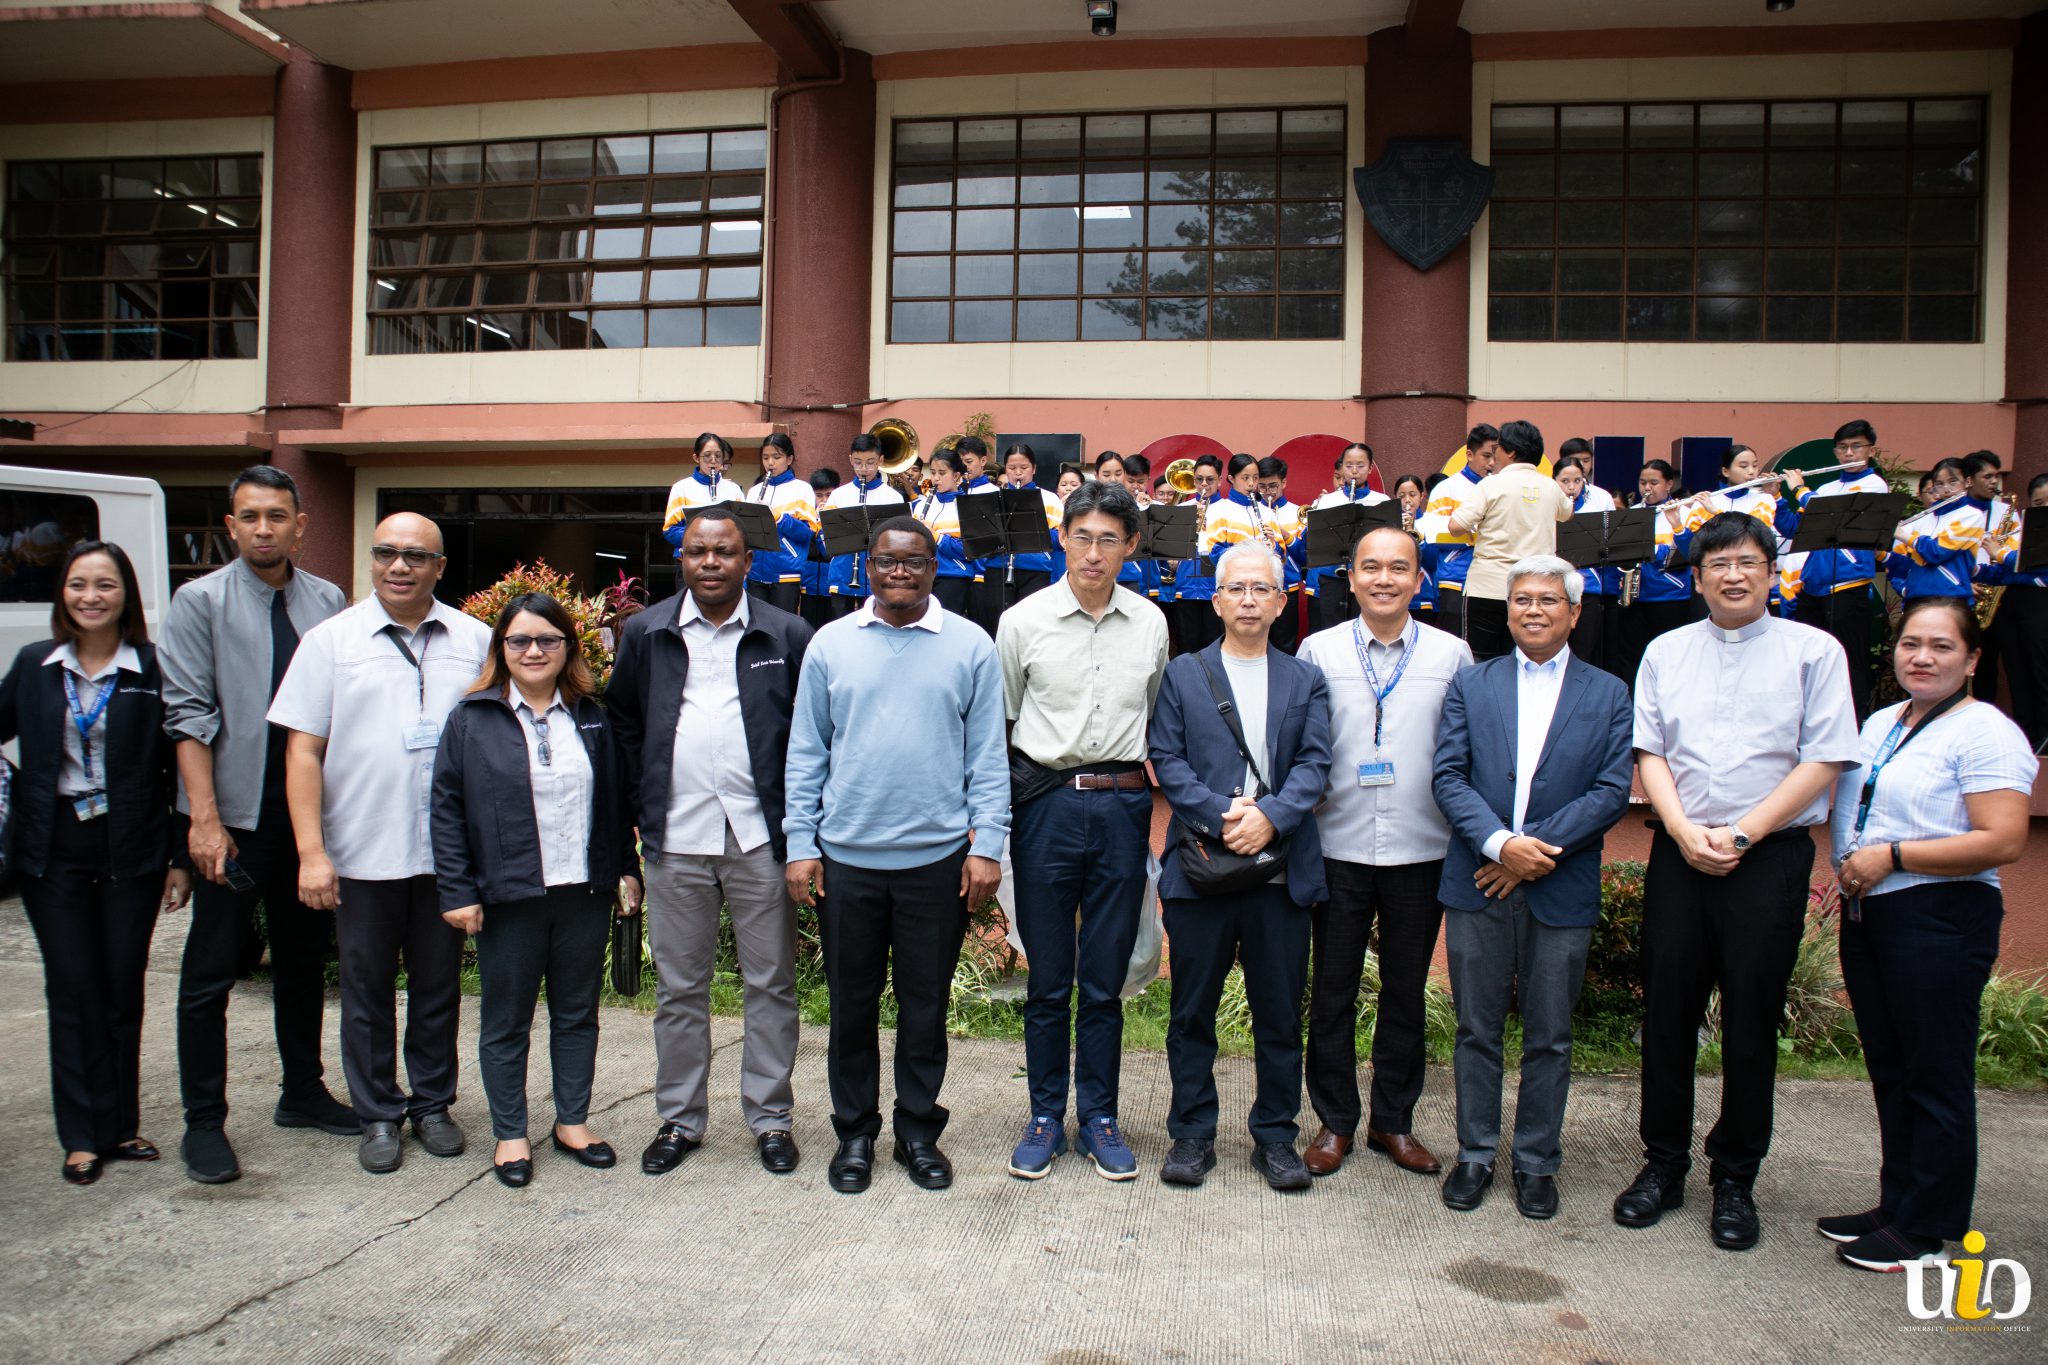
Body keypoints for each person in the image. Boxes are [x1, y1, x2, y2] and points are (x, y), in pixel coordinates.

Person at [1618, 511, 1860, 1250]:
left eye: (1747, 562)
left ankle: (1736, 1175)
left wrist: (1745, 831)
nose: (1732, 574)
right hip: (1680, 853)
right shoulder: (1665, 650)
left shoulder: (1814, 651)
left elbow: (1823, 758)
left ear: (1771, 571)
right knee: (1666, 1012)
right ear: (1696, 577)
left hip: (1769, 856)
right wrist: (1686, 832)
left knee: (1752, 1019)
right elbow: (1650, 752)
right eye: (1717, 563)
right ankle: (1662, 1163)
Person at [783, 517, 1008, 1194]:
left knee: (924, 1006)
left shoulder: (970, 646)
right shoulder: (830, 644)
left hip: (936, 861)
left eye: (913, 561)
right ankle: (854, 1133)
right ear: (868, 568)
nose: (900, 572)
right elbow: (805, 753)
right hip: (846, 859)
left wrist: (987, 844)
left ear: (934, 567)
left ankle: (917, 1131)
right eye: (887, 561)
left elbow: (988, 757)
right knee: (851, 1006)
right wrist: (801, 843)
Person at [268, 512, 493, 1174]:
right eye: (388, 553)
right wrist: (312, 851)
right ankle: (376, 1113)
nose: (401, 566)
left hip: (446, 852)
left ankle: (431, 1104)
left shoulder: (474, 640)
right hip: (361, 848)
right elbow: (302, 750)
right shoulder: (330, 641)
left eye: (416, 556)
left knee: (437, 985)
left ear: (440, 567)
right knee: (365, 988)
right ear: (371, 561)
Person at [1814, 597, 2032, 1269]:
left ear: (1971, 659)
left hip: (1939, 914)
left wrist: (1894, 856)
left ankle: (1930, 1228)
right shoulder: (1883, 721)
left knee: (1935, 1072)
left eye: (1941, 646)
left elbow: (2003, 838)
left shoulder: (1985, 731)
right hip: (1871, 913)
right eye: (1912, 643)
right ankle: (1897, 1201)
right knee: (1893, 1065)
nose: (1923, 657)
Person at [158, 465, 351, 1185]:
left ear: (301, 524)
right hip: (232, 821)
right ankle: (203, 1121)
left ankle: (301, 1091)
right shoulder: (198, 601)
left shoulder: (327, 600)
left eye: (277, 515)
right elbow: (187, 718)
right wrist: (202, 824)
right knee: (210, 974)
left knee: (303, 964)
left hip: (305, 819)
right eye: (249, 516)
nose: (263, 527)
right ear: (230, 525)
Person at [607, 508, 811, 1178]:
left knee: (772, 983)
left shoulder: (787, 633)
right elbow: (626, 728)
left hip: (760, 837)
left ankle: (771, 1117)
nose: (712, 562)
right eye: (699, 551)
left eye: (725, 551)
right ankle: (679, 1118)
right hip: (676, 835)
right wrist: (637, 816)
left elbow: (809, 738)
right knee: (679, 986)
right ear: (683, 560)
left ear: (747, 560)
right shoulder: (645, 632)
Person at [1430, 555, 1634, 1219]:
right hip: (1479, 879)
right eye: (1522, 600)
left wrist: (1531, 851)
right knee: (1476, 1029)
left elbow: (1611, 790)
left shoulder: (1608, 693)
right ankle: (1477, 1153)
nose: (1535, 610)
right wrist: (1499, 845)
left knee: (1550, 1034)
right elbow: (1449, 776)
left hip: (1559, 883)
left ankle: (1538, 1162)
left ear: (1575, 612)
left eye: (1549, 600)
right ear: (1507, 609)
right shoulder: (1473, 683)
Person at [431, 594, 641, 1188]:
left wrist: (626, 867)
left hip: (583, 889)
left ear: (568, 648)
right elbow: (446, 809)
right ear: (502, 649)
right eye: (520, 640)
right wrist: (458, 889)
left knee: (577, 1013)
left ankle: (572, 1122)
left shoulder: (591, 716)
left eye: (548, 639)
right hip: (509, 893)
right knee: (507, 1018)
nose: (533, 651)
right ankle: (511, 1133)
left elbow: (616, 801)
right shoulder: (472, 719)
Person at [2, 541, 190, 1184]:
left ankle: (119, 1125)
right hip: (50, 849)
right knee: (73, 987)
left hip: (131, 847)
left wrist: (179, 856)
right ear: (64, 594)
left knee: (121, 988)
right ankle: (81, 1135)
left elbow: (179, 766)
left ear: (126, 596)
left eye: (105, 585)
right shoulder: (35, 666)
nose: (91, 597)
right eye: (79, 584)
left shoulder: (151, 669)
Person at [1149, 541, 1333, 1191]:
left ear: (1282, 603)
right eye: (1238, 588)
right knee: (1191, 1010)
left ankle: (1276, 1136)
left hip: (1279, 872)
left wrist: (1272, 817)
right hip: (1201, 868)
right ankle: (1193, 1131)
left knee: (1279, 1012)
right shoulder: (1184, 673)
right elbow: (1166, 759)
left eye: (1263, 588)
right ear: (1217, 598)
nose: (1250, 599)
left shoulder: (1305, 678)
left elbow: (1315, 763)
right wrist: (1223, 815)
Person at [998, 482, 1168, 1181]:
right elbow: (1005, 718)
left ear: (1129, 545)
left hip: (1123, 806)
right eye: (1081, 536)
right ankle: (1044, 1114)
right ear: (1061, 537)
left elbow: (1150, 711)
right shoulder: (1023, 621)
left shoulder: (1151, 623)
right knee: (1048, 977)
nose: (1093, 552)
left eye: (1108, 539)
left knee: (1103, 976)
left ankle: (1098, 1114)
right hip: (1046, 806)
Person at [1296, 525, 1471, 1179]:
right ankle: (1335, 1119)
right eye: (1371, 566)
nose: (1384, 579)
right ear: (1351, 576)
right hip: (1336, 842)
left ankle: (1392, 1120)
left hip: (1421, 843)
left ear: (1418, 579)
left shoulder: (1453, 654)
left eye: (1399, 567)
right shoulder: (1317, 649)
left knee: (1405, 989)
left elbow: (1463, 749)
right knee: (1333, 988)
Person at [1776, 421, 1892, 718]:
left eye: (1856, 447)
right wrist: (1776, 496)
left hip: (1848, 585)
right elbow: (1794, 529)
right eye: (1843, 448)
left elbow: (1833, 515)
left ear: (1870, 450)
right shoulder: (1827, 487)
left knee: (1850, 661)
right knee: (1808, 660)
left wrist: (1800, 489)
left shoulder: (1874, 484)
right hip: (1813, 586)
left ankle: (1854, 725)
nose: (1849, 453)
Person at [1449, 420, 1571, 662]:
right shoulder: (1551, 487)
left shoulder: (1490, 485)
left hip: (1488, 588)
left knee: (1479, 659)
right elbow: (1566, 514)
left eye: (1498, 451)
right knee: (1526, 659)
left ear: (1511, 452)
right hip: (1535, 590)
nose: (1494, 459)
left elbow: (1455, 527)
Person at [1619, 459, 1701, 688]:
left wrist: (1674, 530)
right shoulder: (1631, 515)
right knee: (1633, 658)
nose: (1647, 488)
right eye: (1643, 482)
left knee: (1671, 658)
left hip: (1671, 597)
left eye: (1654, 483)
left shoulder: (1684, 513)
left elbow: (1693, 552)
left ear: (1669, 484)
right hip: (1635, 598)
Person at [1420, 424, 1499, 641]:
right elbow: (1434, 536)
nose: (1492, 463)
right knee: (1453, 642)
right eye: (1486, 456)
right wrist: (1474, 535)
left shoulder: (1499, 487)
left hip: (1493, 577)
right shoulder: (1446, 489)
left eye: (1495, 456)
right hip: (1455, 577)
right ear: (1469, 454)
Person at [1989, 473, 2048, 749]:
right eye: (2038, 503)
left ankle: (2045, 736)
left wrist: (2001, 556)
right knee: (2016, 672)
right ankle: (2026, 737)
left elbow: (2026, 567)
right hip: (2014, 605)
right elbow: (2007, 573)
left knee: (2040, 670)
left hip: (2040, 606)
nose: (2044, 509)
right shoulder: (2021, 533)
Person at [1301, 442, 1386, 633]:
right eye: (1349, 466)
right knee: (1331, 630)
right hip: (1332, 576)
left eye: (1360, 465)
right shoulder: (1328, 500)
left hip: (1367, 578)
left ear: (1370, 468)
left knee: (1365, 628)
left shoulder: (1382, 501)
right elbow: (1316, 541)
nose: (1354, 471)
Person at [821, 433, 906, 622]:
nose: (864, 469)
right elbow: (825, 535)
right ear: (850, 459)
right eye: (858, 462)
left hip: (877, 573)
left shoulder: (892, 497)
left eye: (870, 462)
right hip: (842, 571)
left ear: (881, 460)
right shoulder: (838, 495)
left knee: (875, 621)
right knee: (840, 623)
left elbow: (899, 539)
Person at [1552, 459, 1619, 676]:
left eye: (1577, 481)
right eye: (1565, 481)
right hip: (1555, 589)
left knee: (1584, 653)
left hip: (1588, 590)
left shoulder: (1596, 507)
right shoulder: (1547, 509)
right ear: (1554, 482)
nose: (1571, 487)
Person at [744, 432, 820, 615]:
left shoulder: (802, 489)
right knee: (757, 626)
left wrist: (779, 518)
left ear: (789, 459)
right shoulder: (754, 491)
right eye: (765, 457)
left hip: (786, 572)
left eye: (776, 457)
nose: (770, 463)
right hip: (755, 572)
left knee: (782, 627)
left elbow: (808, 532)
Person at [1886, 457, 1979, 602]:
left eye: (1953, 482)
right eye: (1940, 484)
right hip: (1917, 598)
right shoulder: (1922, 519)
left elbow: (1936, 552)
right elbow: (1907, 565)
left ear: (1967, 482)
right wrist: (1878, 553)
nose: (1947, 489)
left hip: (1950, 598)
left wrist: (1902, 535)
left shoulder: (1971, 515)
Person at [991, 442, 1063, 614]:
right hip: (997, 567)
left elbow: (1062, 539)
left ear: (1034, 468)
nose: (1018, 473)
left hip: (1035, 570)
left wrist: (1030, 529)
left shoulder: (1049, 499)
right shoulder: (993, 499)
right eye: (1011, 467)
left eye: (1024, 467)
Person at [911, 447, 977, 617]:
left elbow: (970, 549)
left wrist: (936, 537)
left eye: (942, 473)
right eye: (933, 473)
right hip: (922, 574)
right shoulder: (921, 504)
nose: (936, 478)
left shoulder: (968, 507)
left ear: (956, 476)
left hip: (953, 575)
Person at [1172, 455, 1226, 654]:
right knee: (1187, 648)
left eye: (1210, 480)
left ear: (1220, 480)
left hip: (1215, 589)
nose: (1204, 484)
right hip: (1186, 586)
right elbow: (1169, 551)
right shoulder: (1182, 509)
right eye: (1199, 479)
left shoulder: (1228, 510)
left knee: (1214, 649)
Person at [661, 432, 743, 552]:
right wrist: (703, 535)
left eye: (718, 455)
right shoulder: (681, 488)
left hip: (724, 558)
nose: (713, 461)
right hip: (692, 559)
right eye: (707, 455)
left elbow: (743, 527)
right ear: (696, 458)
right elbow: (670, 531)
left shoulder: (734, 489)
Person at [1256, 456, 1305, 652]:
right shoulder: (1252, 511)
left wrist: (1282, 534)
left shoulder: (1297, 513)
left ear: (1283, 482)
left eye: (1273, 486)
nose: (1268, 492)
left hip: (1287, 587)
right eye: (1262, 486)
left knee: (1284, 644)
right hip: (1258, 586)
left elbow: (1304, 556)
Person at [802, 468, 841, 629]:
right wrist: (814, 522)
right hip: (809, 582)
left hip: (830, 583)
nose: (824, 500)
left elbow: (828, 551)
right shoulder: (807, 516)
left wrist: (824, 524)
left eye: (829, 495)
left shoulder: (839, 516)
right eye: (819, 495)